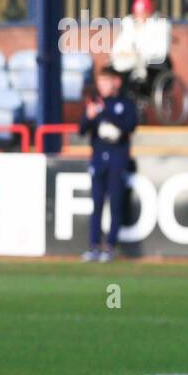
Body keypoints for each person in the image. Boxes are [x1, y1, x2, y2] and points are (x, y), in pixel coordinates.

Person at [79, 66, 137, 263]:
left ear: (116, 82)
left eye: (106, 81)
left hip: (118, 158)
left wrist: (107, 114)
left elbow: (130, 125)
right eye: (100, 82)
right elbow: (81, 130)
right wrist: (89, 116)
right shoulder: (95, 105)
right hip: (98, 159)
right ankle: (93, 246)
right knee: (96, 203)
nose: (102, 86)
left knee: (115, 204)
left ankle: (110, 246)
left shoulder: (125, 104)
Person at [110, 0, 170, 92]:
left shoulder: (161, 24)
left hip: (152, 65)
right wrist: (127, 53)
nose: (140, 16)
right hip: (130, 62)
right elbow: (118, 48)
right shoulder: (129, 23)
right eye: (138, 13)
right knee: (112, 69)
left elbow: (161, 52)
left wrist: (140, 54)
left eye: (143, 12)